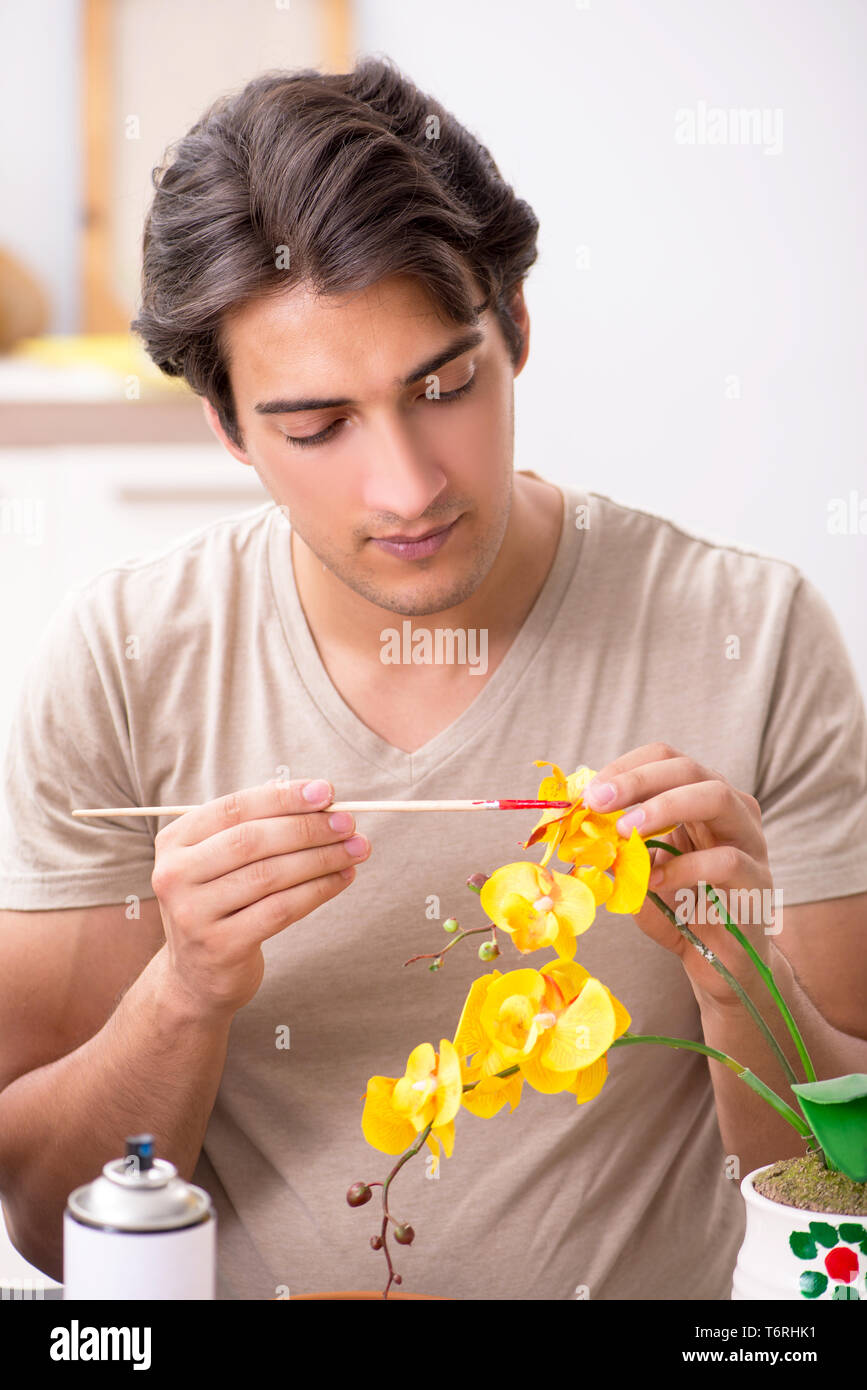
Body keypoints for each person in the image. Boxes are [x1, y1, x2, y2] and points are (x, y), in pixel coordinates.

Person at [0, 56, 865, 1302]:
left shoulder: (757, 634)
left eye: (444, 387)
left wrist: (741, 980)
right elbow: (44, 1220)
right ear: (228, 427)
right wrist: (182, 991)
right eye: (316, 427)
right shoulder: (122, 664)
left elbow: (841, 1190)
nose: (407, 487)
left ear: (516, 326)